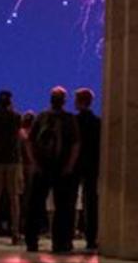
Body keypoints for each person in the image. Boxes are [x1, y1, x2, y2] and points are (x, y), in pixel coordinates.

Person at [26, 87, 81, 253]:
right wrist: (69, 165)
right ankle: (59, 242)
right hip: (57, 168)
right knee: (61, 207)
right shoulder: (68, 119)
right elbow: (75, 144)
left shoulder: (42, 117)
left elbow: (30, 141)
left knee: (37, 206)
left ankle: (34, 241)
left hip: (45, 167)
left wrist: (34, 162)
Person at [0, 90, 24, 244]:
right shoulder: (16, 118)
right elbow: (19, 137)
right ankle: (15, 233)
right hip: (13, 160)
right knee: (14, 198)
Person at [74, 88, 101, 251]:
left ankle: (65, 237)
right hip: (92, 165)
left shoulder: (74, 121)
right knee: (91, 202)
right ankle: (91, 238)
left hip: (76, 164)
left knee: (69, 201)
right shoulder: (97, 122)